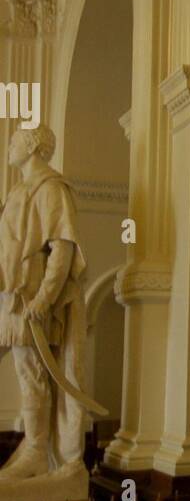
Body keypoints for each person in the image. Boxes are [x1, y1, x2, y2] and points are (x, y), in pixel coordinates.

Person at [0, 123, 87, 480]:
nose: (9, 146)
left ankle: (38, 449)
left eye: (15, 140)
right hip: (11, 297)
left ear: (33, 145)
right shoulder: (18, 191)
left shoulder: (52, 188)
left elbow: (62, 248)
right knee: (26, 373)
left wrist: (43, 298)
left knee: (32, 374)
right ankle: (34, 445)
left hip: (32, 300)